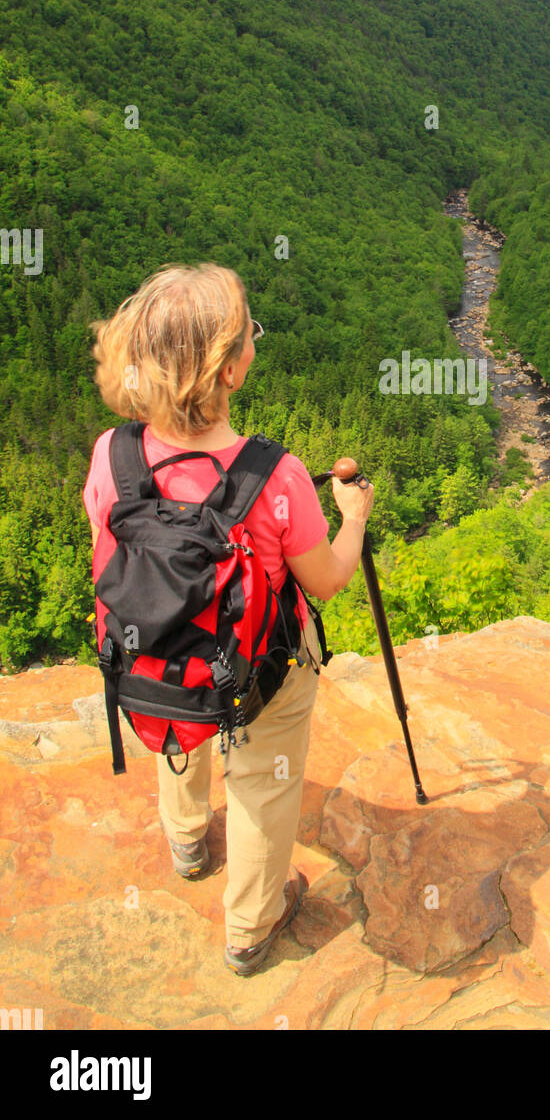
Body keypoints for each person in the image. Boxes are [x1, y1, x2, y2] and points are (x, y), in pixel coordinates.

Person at [82, 262, 374, 976]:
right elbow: (327, 581)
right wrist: (355, 518)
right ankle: (250, 927)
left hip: (154, 656)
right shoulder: (274, 475)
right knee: (262, 783)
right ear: (233, 372)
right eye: (250, 334)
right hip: (253, 666)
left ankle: (186, 841)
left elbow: (110, 550)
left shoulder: (113, 455)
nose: (254, 341)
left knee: (180, 700)